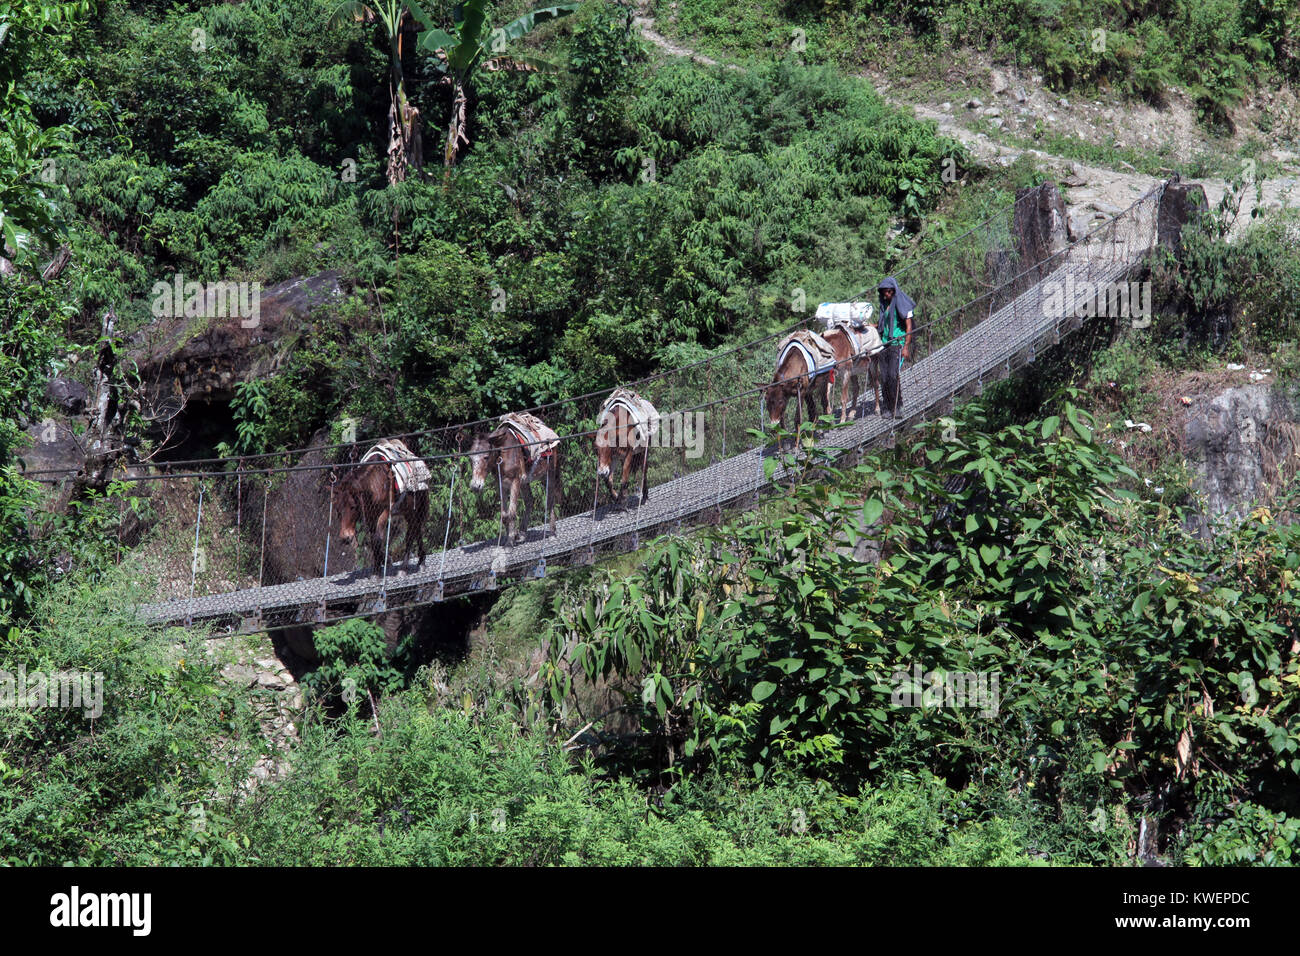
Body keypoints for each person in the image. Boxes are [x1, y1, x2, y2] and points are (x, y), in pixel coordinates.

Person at [876, 276, 915, 417]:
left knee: (893, 375)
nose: (887, 295)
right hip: (884, 345)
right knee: (884, 377)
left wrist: (906, 346)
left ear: (894, 290)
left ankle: (898, 406)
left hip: (897, 344)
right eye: (884, 292)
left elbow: (909, 326)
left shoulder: (901, 303)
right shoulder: (884, 306)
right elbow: (882, 325)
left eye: (889, 292)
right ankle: (887, 407)